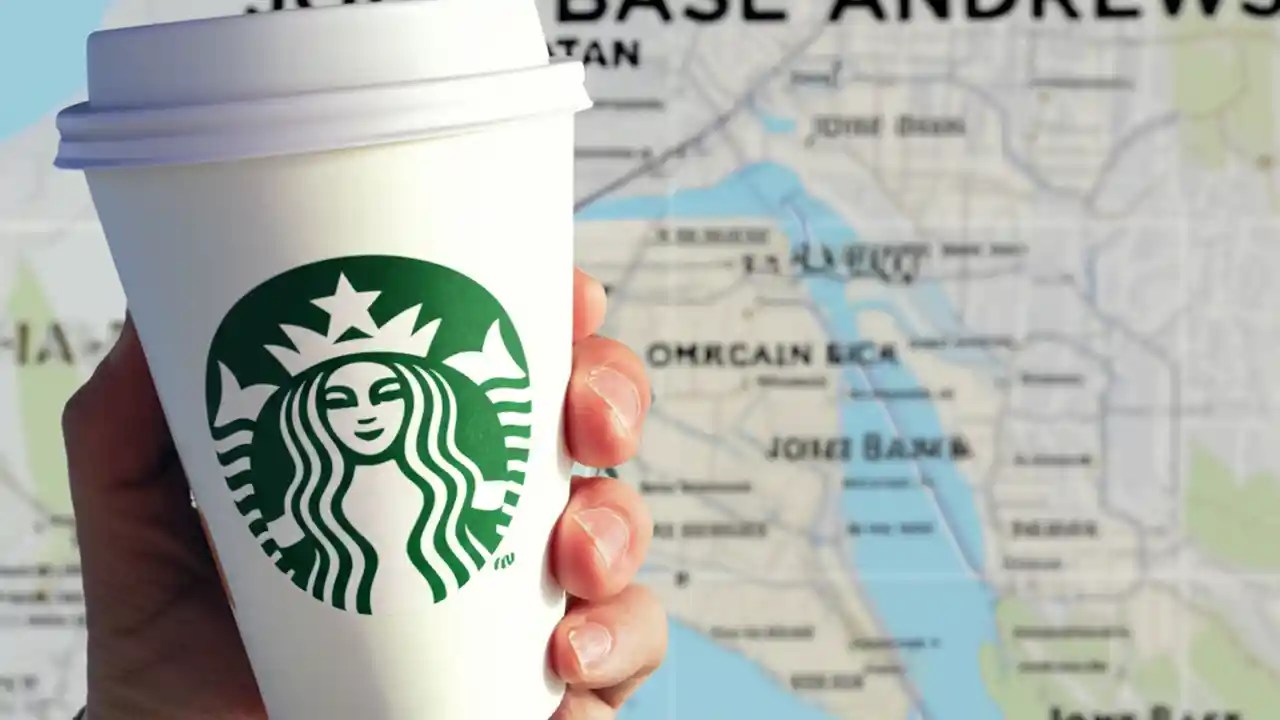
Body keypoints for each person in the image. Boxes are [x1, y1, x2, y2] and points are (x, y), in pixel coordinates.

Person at [62, 270, 665, 720]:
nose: (365, 415)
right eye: (340, 400)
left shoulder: (459, 495)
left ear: (423, 399)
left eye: (385, 394)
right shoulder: (307, 518)